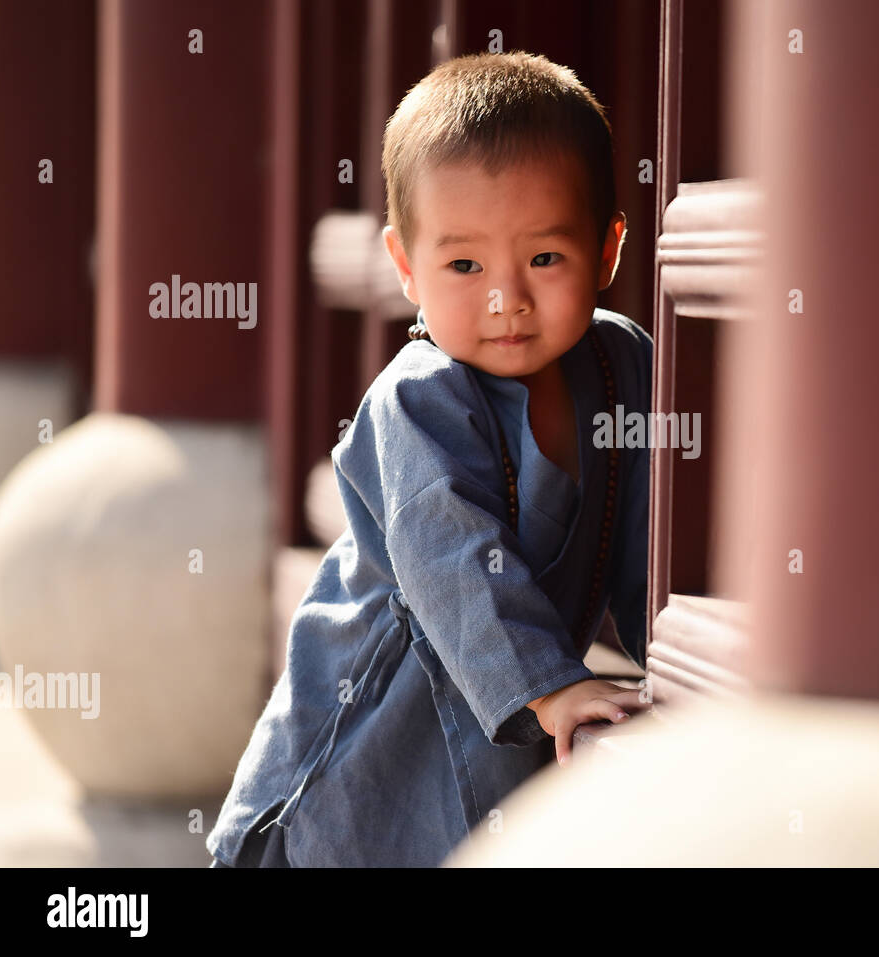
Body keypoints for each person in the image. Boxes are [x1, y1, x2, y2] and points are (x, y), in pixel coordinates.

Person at [206, 51, 652, 867]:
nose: (504, 298)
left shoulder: (620, 368)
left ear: (609, 247)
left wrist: (667, 664)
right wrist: (553, 686)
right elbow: (450, 557)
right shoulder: (420, 398)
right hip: (369, 733)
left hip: (505, 725)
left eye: (545, 258)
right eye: (464, 265)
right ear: (406, 266)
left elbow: (645, 546)